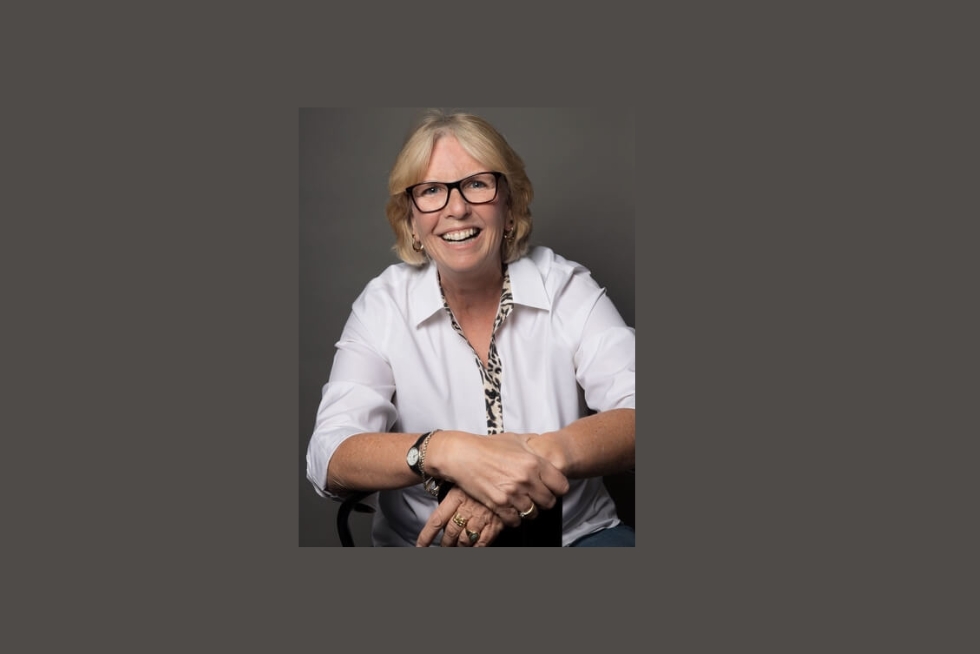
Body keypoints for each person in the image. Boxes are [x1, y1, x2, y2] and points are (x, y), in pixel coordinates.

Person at [305, 110, 635, 546]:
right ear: (411, 221)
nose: (457, 209)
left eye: (477, 184)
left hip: (574, 538)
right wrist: (446, 451)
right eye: (431, 191)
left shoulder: (565, 287)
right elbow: (329, 456)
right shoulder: (383, 305)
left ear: (509, 206)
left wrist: (525, 463)